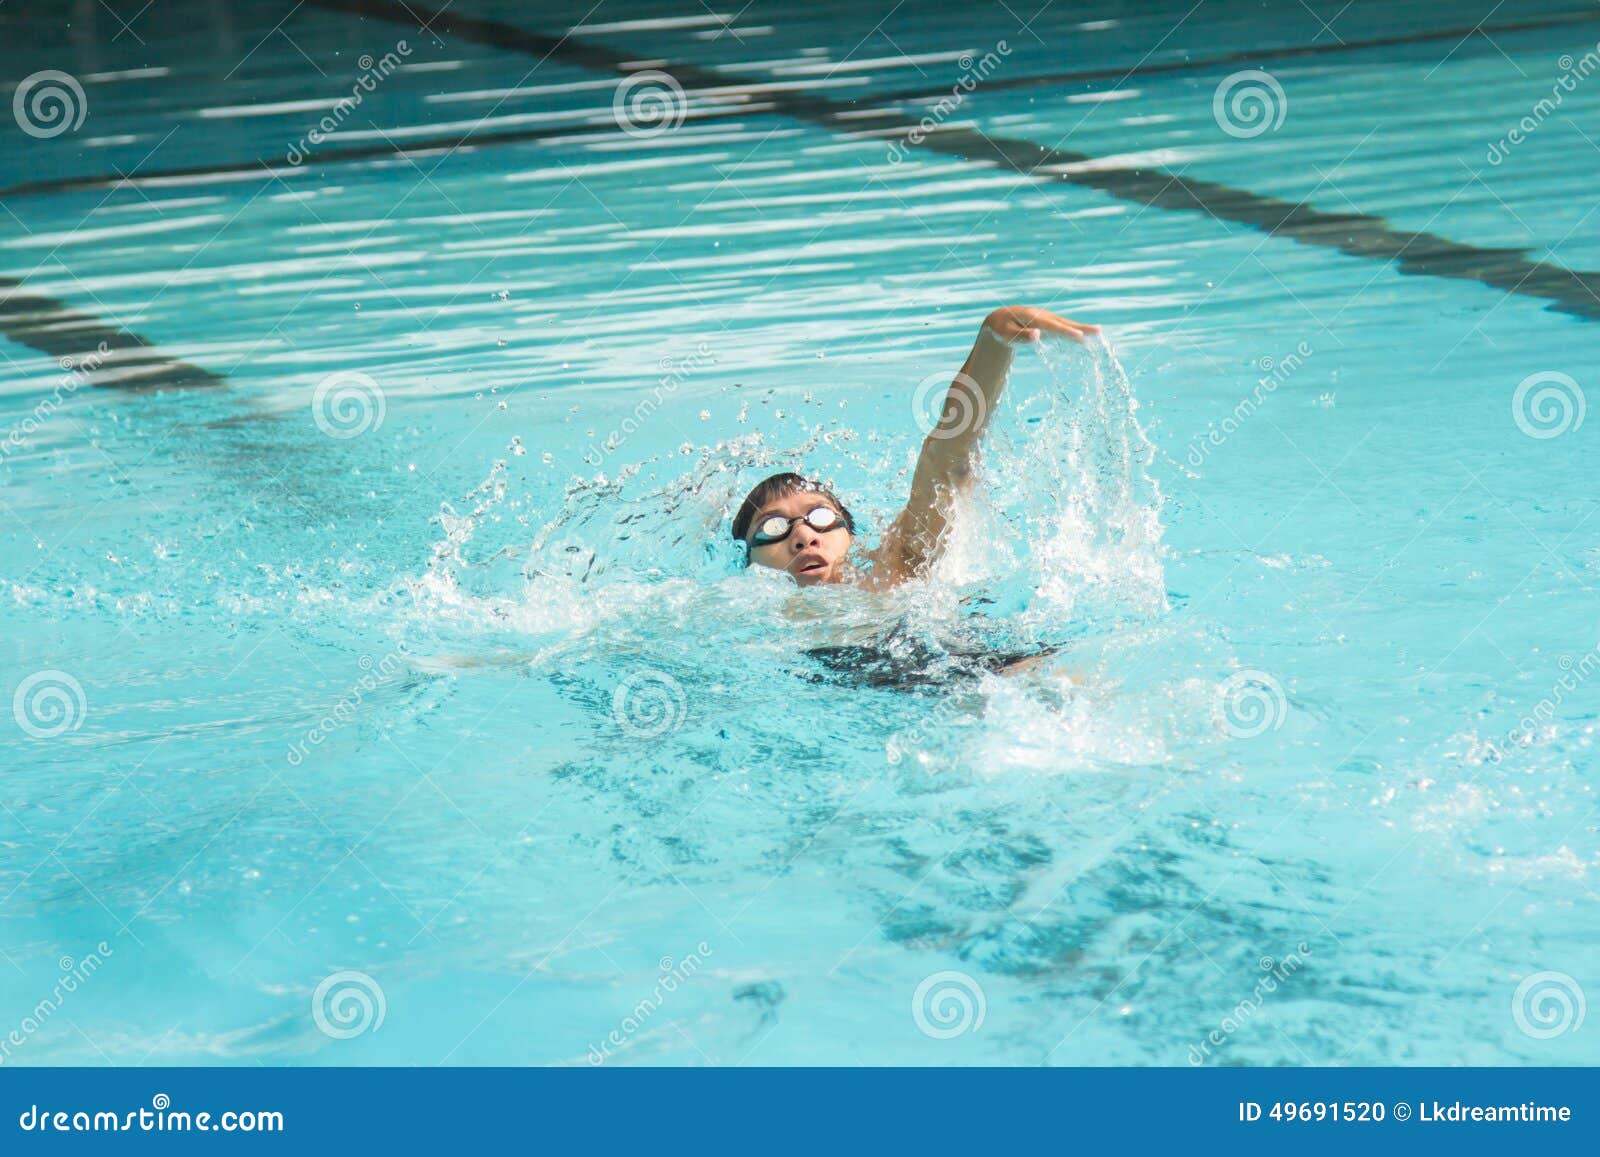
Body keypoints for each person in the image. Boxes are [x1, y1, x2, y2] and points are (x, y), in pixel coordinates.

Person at [732, 305, 1098, 589]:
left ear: (852, 537)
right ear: (748, 560)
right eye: (774, 527)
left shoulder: (895, 566)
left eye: (821, 518)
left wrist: (993, 341)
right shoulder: (738, 619)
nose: (803, 536)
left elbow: (945, 461)